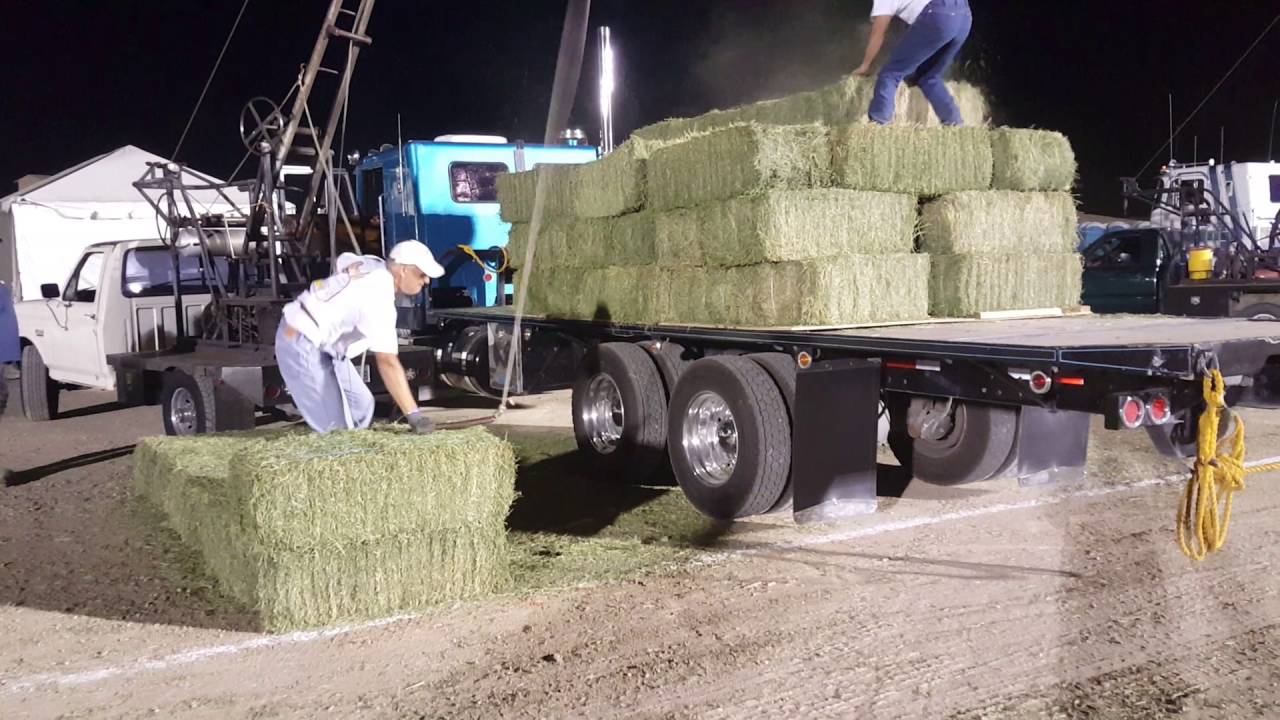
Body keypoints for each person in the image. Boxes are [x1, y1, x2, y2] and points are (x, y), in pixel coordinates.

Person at [275, 240, 444, 434]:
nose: (427, 280)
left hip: (326, 345)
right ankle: (336, 456)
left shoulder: (375, 264)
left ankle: (352, 451)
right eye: (422, 274)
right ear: (403, 270)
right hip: (302, 341)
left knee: (360, 407)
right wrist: (414, 416)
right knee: (334, 428)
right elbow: (387, 361)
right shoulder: (378, 295)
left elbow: (345, 259)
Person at [853, 0, 972, 126]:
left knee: (890, 73)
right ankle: (954, 123)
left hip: (939, 15)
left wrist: (865, 65)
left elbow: (878, 33)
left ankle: (879, 124)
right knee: (928, 76)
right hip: (964, 16)